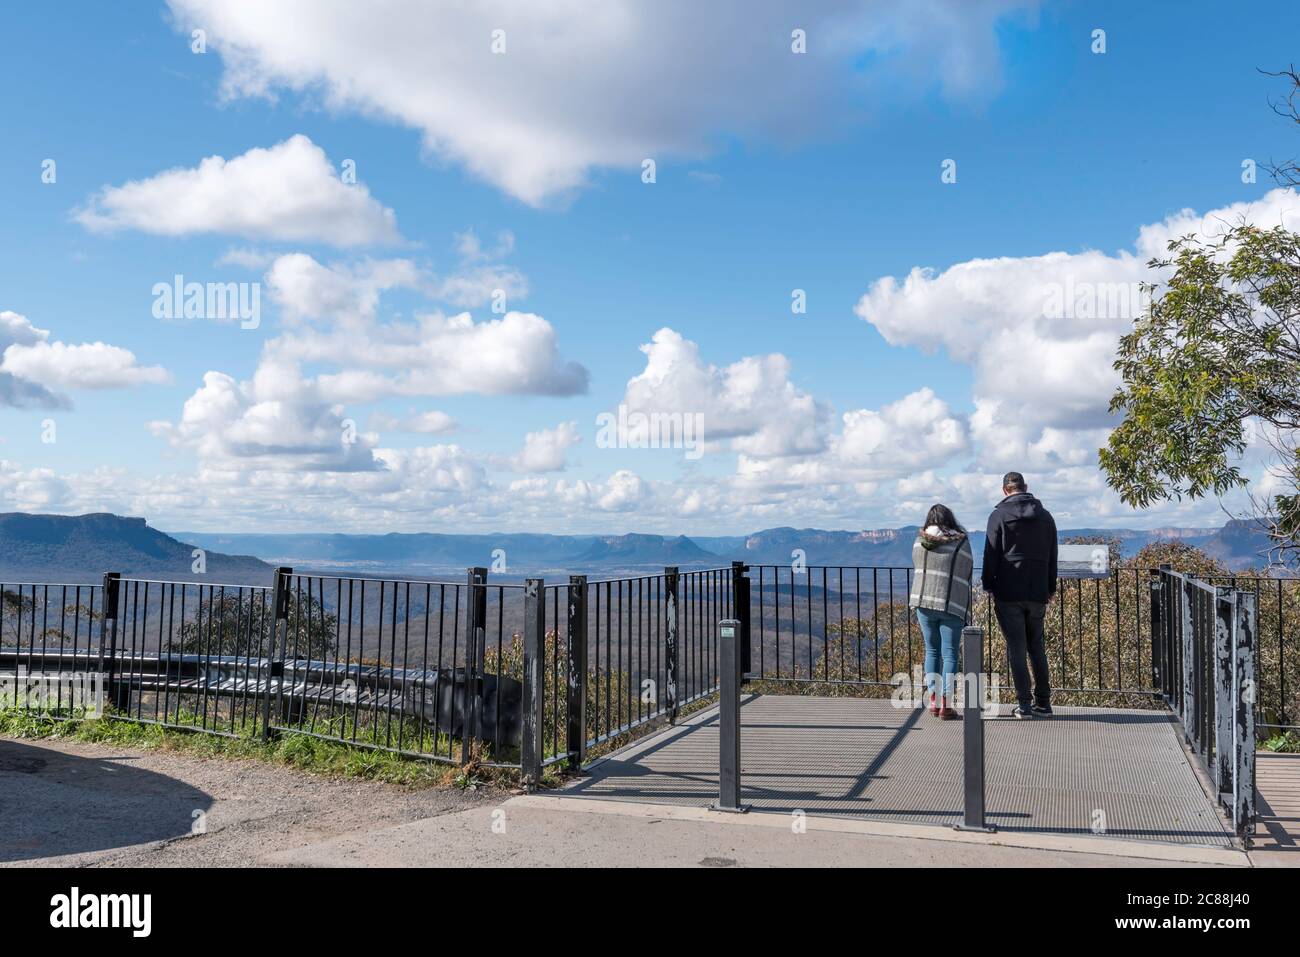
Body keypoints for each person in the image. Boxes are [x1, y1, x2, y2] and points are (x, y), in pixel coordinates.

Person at [981, 472, 1058, 719]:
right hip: (1037, 590)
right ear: (1026, 487)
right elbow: (1052, 555)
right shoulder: (1045, 517)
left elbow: (990, 553)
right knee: (1037, 646)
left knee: (1016, 647)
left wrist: (988, 583)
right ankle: (1043, 703)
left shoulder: (999, 516)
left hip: (1008, 590)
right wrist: (1050, 588)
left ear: (1005, 490)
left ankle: (1024, 704)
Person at [908, 504, 974, 719]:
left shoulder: (920, 541)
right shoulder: (960, 540)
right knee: (950, 653)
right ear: (950, 520)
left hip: (923, 601)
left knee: (932, 651)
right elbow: (967, 568)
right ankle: (946, 704)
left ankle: (934, 702)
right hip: (950, 602)